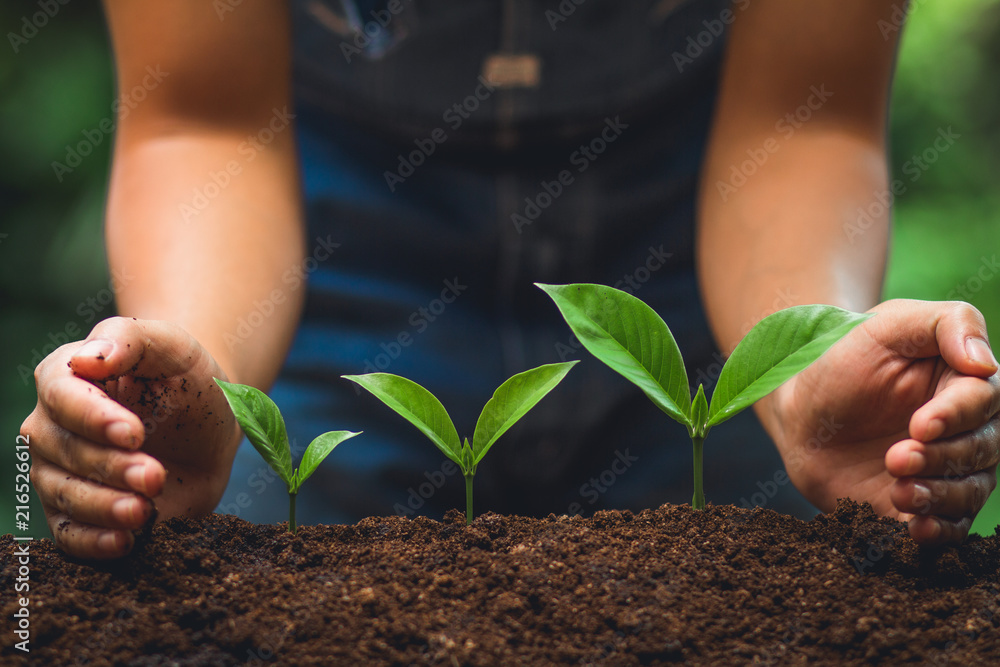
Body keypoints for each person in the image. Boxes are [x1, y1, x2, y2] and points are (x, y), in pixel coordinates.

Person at [21, 0, 1000, 560]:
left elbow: (802, 120)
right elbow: (206, 116)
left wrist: (802, 366)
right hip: (310, 259)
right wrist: (203, 378)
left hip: (704, 263)